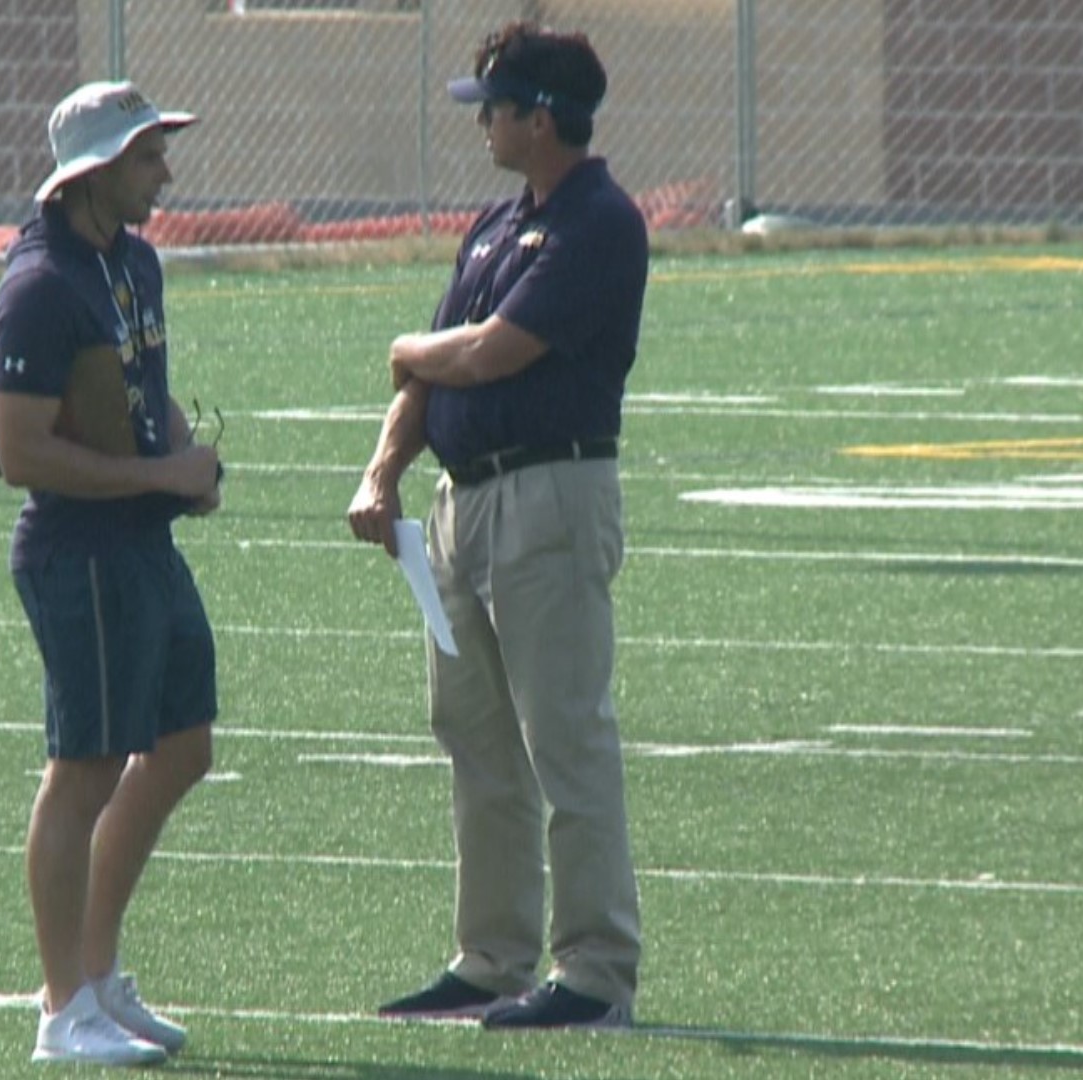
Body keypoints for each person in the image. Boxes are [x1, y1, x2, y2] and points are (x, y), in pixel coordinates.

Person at [345, 22, 647, 1031]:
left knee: (564, 737)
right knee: (474, 738)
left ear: (543, 116)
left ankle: (595, 969)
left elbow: (487, 353)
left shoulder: (598, 222)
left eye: (497, 108)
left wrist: (408, 344)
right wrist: (383, 475)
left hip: (549, 498)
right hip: (460, 507)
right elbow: (430, 378)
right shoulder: (492, 227)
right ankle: (492, 957)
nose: (484, 127)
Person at [0, 79, 224, 1068]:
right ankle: (61, 1009)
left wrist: (180, 455)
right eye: (146, 156)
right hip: (79, 555)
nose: (164, 171)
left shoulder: (133, 261)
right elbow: (19, 450)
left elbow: (144, 391)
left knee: (182, 746)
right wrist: (159, 475)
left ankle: (98, 974)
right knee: (82, 769)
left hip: (140, 543)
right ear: (93, 173)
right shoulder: (40, 286)